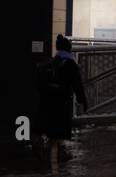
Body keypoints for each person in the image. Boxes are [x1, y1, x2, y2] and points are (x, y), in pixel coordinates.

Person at [35, 34, 88, 163]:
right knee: (61, 133)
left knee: (51, 131)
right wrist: (83, 100)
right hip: (62, 103)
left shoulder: (51, 62)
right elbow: (77, 85)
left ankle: (48, 156)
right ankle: (59, 162)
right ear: (69, 49)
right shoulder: (70, 64)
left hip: (48, 102)